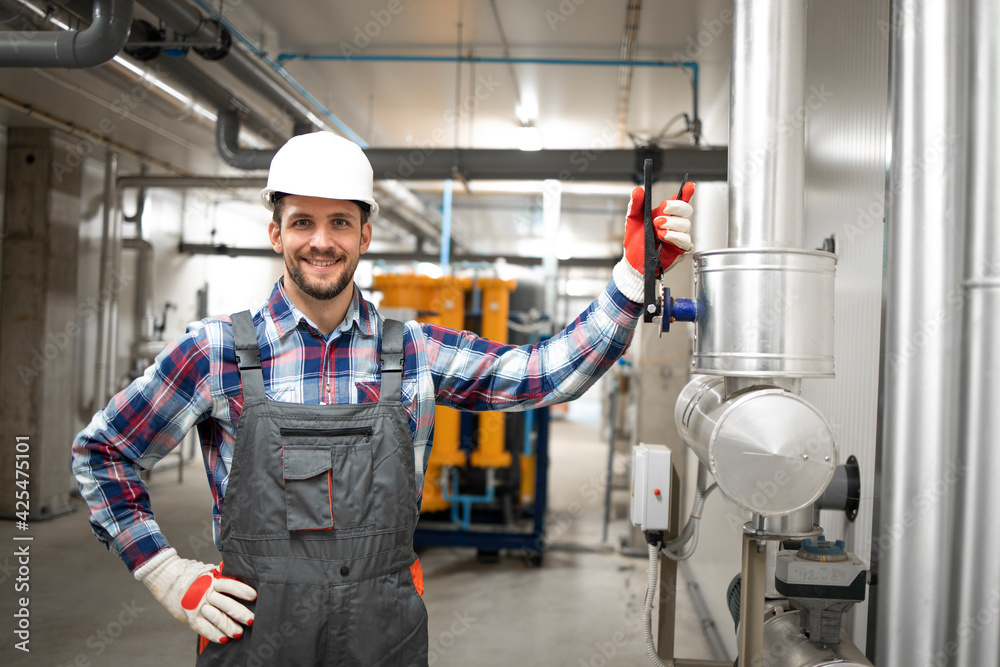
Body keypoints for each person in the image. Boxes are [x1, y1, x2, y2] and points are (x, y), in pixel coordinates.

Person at [71, 131, 695, 666]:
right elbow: (104, 453)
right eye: (302, 222)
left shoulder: (415, 352)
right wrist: (165, 573)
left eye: (339, 221)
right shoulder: (214, 353)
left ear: (365, 233)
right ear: (274, 232)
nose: (321, 241)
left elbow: (543, 374)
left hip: (382, 635)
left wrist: (630, 281)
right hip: (256, 634)